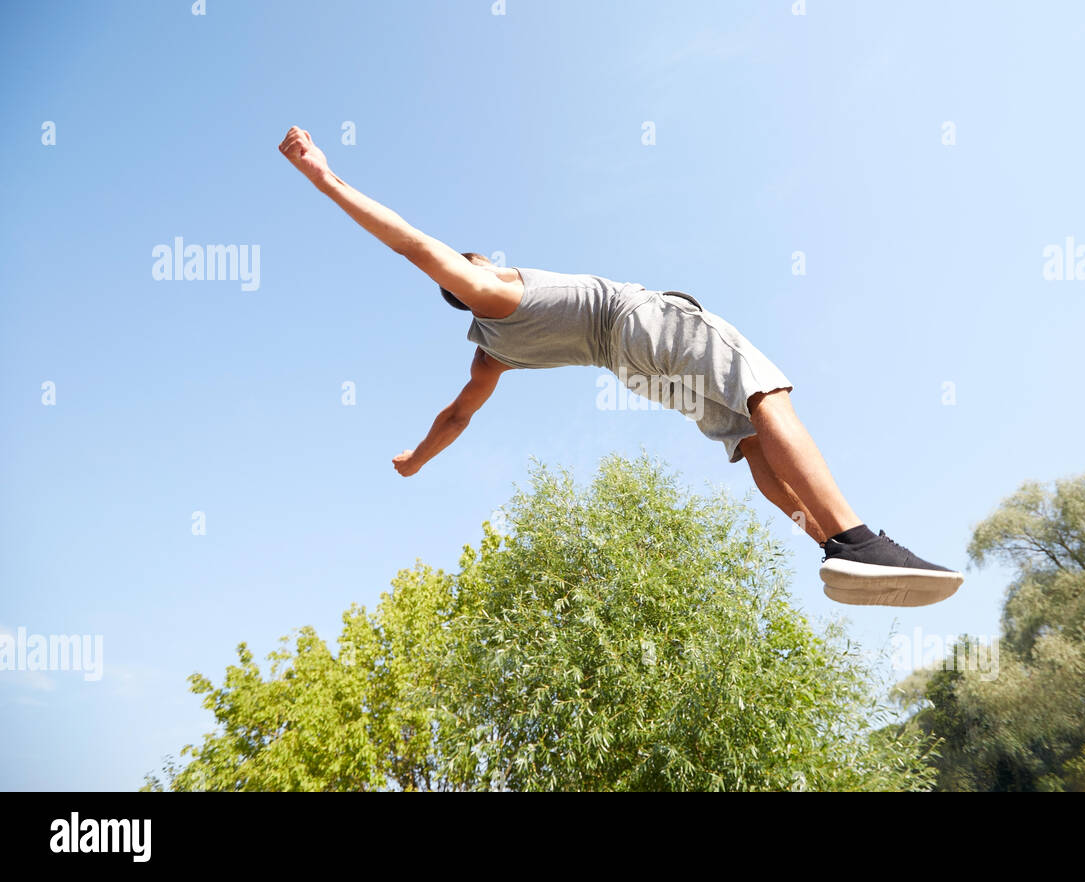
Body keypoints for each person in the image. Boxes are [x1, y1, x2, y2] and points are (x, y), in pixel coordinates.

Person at [278, 126, 962, 606]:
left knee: (749, 441)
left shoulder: (491, 354)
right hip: (641, 325)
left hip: (636, 373)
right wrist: (324, 177)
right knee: (765, 394)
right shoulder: (492, 291)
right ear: (470, 275)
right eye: (473, 260)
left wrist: (418, 460)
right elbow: (416, 245)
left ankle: (827, 548)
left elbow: (458, 415)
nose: (483, 257)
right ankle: (856, 539)